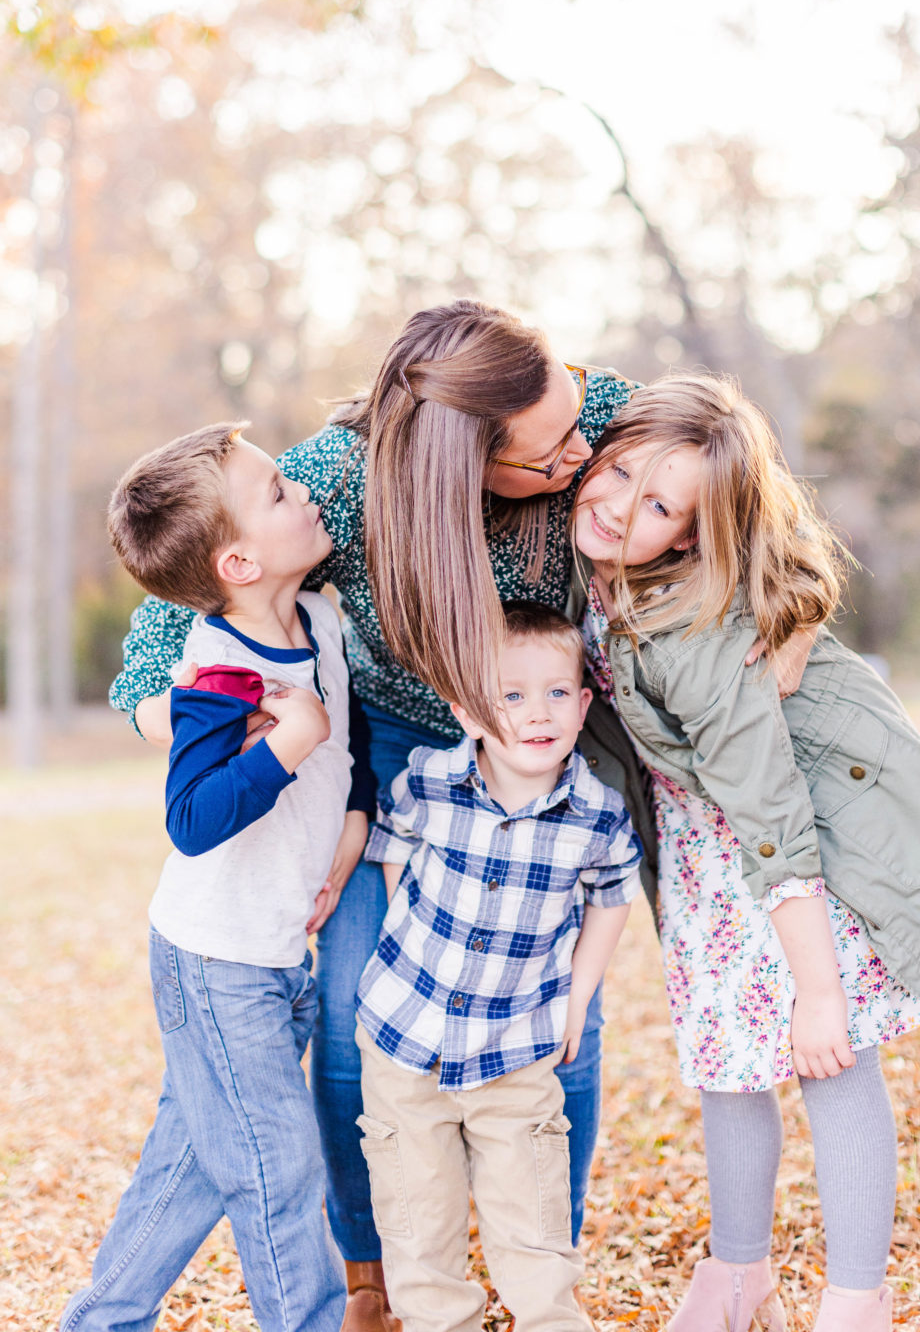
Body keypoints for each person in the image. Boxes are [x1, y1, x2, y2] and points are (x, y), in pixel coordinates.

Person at [108, 302, 807, 1322]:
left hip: (544, 738)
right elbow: (164, 621)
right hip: (396, 750)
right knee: (354, 1015)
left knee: (556, 1015)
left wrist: (793, 608)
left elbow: (743, 487)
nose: (581, 455)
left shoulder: (587, 414)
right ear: (463, 462)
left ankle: (542, 1262)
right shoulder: (339, 482)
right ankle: (373, 1273)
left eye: (577, 420)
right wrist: (199, 724)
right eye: (548, 454)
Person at [570, 373, 920, 1332]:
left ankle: (857, 1297)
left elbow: (771, 808)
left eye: (659, 506)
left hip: (786, 871)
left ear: (688, 538)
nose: (619, 505)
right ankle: (738, 1277)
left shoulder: (699, 637)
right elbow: (560, 391)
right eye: (617, 472)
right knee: (726, 1064)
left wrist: (819, 988)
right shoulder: (598, 563)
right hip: (706, 871)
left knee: (830, 1057)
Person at [64, 423, 374, 1332]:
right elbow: (192, 818)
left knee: (194, 1161)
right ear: (238, 563)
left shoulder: (321, 622)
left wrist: (353, 815)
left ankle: (101, 1320)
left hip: (275, 954)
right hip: (216, 959)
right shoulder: (219, 677)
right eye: (278, 490)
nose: (303, 491)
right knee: (278, 1168)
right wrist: (286, 743)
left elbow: (347, 743)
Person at [354, 603, 642, 1332]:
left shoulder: (596, 815)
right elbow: (393, 844)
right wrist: (405, 944)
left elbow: (613, 896)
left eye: (556, 692)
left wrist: (577, 999)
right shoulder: (430, 781)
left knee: (534, 1233)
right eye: (511, 695)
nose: (537, 713)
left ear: (583, 706)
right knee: (419, 1229)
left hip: (516, 1053)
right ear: (468, 711)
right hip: (404, 1043)